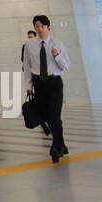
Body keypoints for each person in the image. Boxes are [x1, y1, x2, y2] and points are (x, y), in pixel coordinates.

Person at [25, 15, 70, 161]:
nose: (39, 29)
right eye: (36, 26)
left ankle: (55, 147)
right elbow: (27, 67)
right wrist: (28, 85)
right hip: (39, 83)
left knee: (54, 116)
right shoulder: (29, 45)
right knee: (49, 117)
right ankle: (61, 145)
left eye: (42, 26)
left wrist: (57, 56)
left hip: (54, 82)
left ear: (48, 27)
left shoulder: (58, 44)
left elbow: (66, 66)